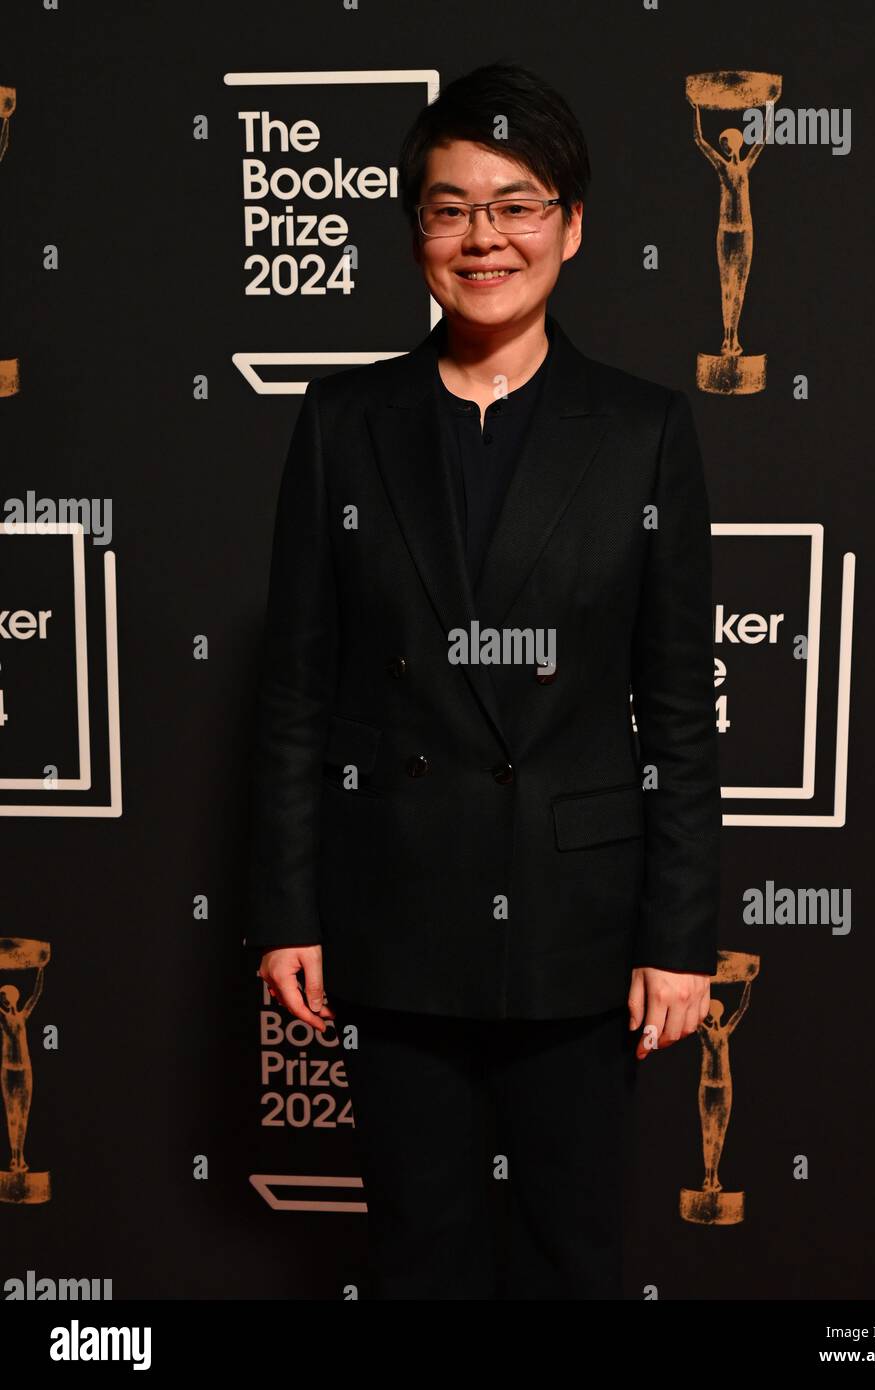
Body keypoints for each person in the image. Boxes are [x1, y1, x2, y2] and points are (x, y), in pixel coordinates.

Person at [245, 61, 721, 1300]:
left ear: (570, 224)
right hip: (396, 911)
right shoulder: (343, 420)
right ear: (416, 234)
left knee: (574, 1252)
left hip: (579, 924)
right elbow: (297, 687)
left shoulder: (642, 429)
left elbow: (676, 706)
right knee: (418, 1248)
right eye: (450, 208)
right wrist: (288, 909)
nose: (482, 237)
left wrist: (678, 938)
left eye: (513, 204)